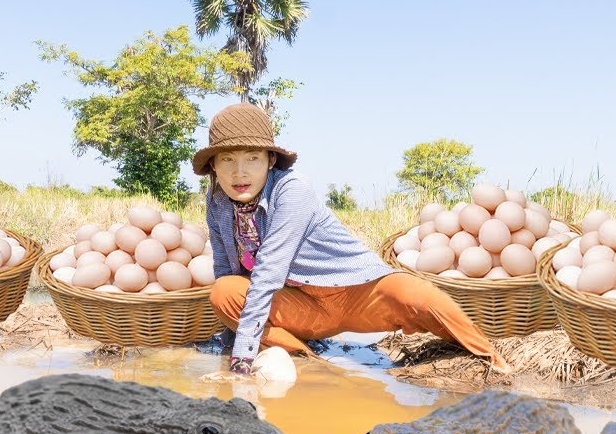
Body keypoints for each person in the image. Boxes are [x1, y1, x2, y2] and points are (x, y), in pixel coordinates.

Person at [194, 103, 513, 375]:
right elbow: (227, 270)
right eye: (227, 159)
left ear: (270, 160)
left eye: (252, 158)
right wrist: (231, 339)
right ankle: (314, 364)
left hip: (356, 292)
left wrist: (241, 357)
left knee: (417, 294)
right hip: (301, 306)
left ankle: (490, 357)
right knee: (224, 291)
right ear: (213, 166)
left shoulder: (292, 189)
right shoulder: (218, 203)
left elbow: (269, 270)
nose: (239, 172)